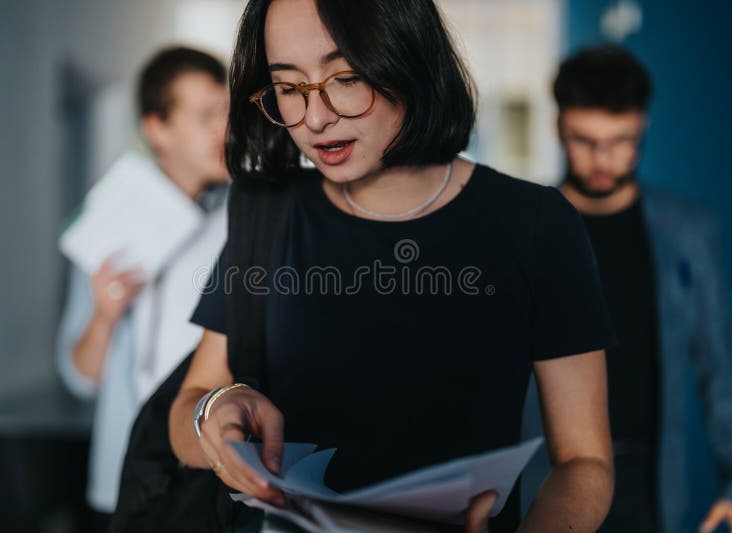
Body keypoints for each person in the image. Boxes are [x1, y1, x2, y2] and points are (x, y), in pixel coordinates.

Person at [168, 1, 618, 531]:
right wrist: (215, 414)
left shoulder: (536, 224)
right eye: (289, 88)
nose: (315, 119)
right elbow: (186, 414)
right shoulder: (269, 214)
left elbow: (584, 463)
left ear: (410, 61)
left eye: (347, 77)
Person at [524, 45, 732, 533]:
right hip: (546, 481)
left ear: (643, 127)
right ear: (560, 127)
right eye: (585, 140)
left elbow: (721, 367)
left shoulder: (689, 230)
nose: (604, 158)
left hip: (648, 482)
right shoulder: (522, 225)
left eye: (621, 141)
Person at [56, 46, 230, 531]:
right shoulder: (109, 228)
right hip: (120, 478)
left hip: (206, 469)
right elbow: (76, 376)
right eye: (204, 115)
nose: (223, 128)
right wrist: (104, 316)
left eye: (226, 112)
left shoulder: (243, 220)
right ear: (157, 128)